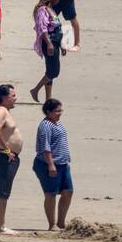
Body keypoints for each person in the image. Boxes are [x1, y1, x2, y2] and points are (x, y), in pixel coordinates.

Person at [33, 97, 72, 231]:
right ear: (49, 112)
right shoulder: (45, 126)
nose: (60, 113)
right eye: (57, 111)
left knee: (68, 192)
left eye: (61, 110)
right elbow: (45, 147)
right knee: (50, 194)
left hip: (63, 164)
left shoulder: (58, 123)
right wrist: (50, 165)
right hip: (48, 164)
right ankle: (52, 224)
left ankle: (61, 222)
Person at [0, 84, 22, 235]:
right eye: (13, 96)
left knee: (5, 191)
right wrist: (6, 149)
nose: (15, 98)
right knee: (3, 192)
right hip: (4, 155)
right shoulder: (1, 110)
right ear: (4, 98)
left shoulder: (6, 111)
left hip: (10, 156)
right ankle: (1, 227)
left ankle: (1, 225)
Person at [30, 0, 62, 102]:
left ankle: (48, 98)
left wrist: (62, 45)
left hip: (55, 42)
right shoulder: (42, 10)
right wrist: (49, 43)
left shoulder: (51, 9)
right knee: (54, 71)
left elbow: (56, 27)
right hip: (49, 43)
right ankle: (35, 90)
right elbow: (42, 29)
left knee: (50, 70)